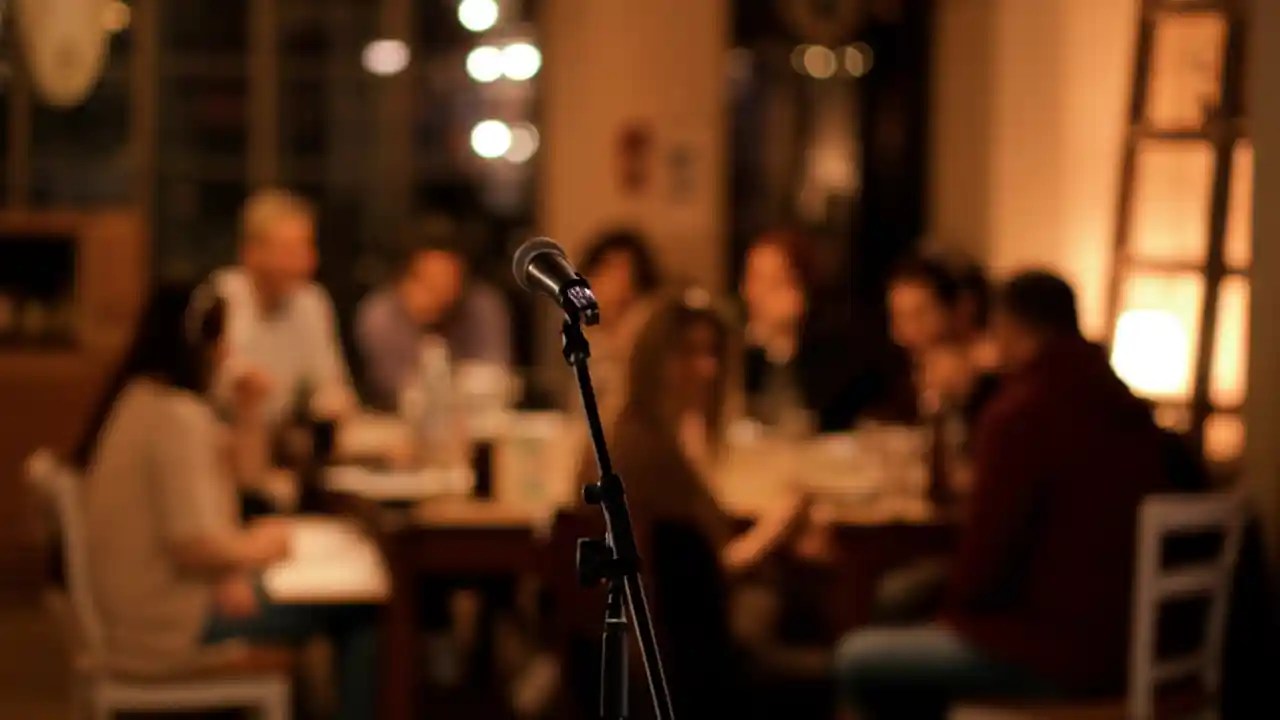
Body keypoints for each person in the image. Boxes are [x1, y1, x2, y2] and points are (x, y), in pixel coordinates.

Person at [837, 271, 1167, 719]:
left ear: (1009, 329)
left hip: (1061, 653)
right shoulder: (1120, 400)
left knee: (859, 655)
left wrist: (954, 615)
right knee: (902, 595)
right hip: (1135, 639)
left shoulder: (1022, 413)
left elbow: (986, 561)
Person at [80, 283, 377, 719]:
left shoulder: (142, 399)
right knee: (358, 610)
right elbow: (192, 544)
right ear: (202, 344)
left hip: (146, 605)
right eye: (224, 339)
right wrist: (259, 548)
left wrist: (249, 409)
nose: (229, 352)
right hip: (168, 623)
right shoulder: (175, 417)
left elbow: (245, 480)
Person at [594, 290, 811, 716]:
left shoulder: (636, 430)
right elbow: (706, 576)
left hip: (655, 640)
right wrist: (779, 524)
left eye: (712, 353)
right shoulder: (644, 451)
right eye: (687, 353)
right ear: (651, 359)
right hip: (669, 660)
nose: (707, 369)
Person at [211, 188, 355, 426]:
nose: (305, 262)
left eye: (307, 248)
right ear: (252, 253)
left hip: (285, 441)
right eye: (289, 251)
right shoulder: (220, 299)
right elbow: (215, 387)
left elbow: (329, 385)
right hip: (222, 437)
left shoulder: (312, 301)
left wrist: (333, 405)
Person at [354, 219, 512, 411]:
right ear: (404, 279)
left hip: (475, 419)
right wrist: (421, 323)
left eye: (451, 280)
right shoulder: (379, 315)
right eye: (431, 282)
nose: (443, 292)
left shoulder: (483, 306)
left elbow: (495, 376)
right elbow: (392, 386)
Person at [740, 230, 865, 433]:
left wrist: (785, 343)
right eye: (753, 279)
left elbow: (827, 420)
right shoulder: (740, 349)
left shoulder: (834, 349)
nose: (756, 293)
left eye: (775, 282)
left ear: (801, 289)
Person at [577, 228, 661, 423]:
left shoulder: (649, 331)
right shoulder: (584, 332)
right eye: (605, 269)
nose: (615, 280)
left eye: (623, 269)